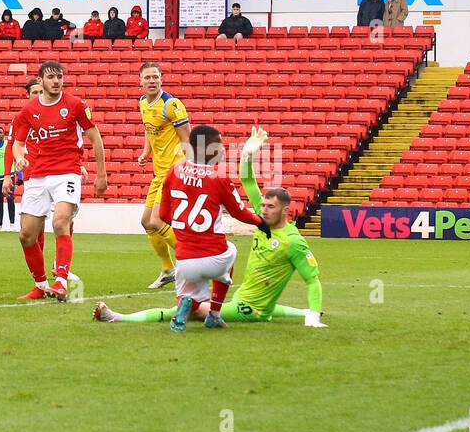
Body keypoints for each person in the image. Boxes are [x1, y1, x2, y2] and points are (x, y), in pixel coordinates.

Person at [96, 127, 326, 328]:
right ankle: (219, 310)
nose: (263, 210)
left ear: (285, 211)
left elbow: (312, 280)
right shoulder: (263, 218)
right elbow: (248, 182)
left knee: (192, 310)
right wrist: (246, 154)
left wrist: (314, 315)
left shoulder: (293, 241)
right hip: (243, 300)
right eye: (263, 205)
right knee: (231, 266)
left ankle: (120, 317)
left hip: (246, 307)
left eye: (270, 207)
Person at [157, 124, 271, 332]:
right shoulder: (218, 177)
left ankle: (185, 305)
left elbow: (164, 215)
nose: (223, 150)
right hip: (215, 257)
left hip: (183, 260)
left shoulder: (174, 171)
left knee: (188, 294)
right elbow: (239, 212)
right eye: (218, 145)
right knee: (232, 251)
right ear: (203, 150)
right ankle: (215, 314)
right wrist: (260, 222)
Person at [11, 61, 107, 301]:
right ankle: (41, 286)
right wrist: (19, 158)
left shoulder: (75, 105)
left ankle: (61, 282)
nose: (56, 81)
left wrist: (101, 174)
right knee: (27, 235)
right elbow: (18, 143)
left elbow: (95, 138)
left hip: (67, 172)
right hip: (37, 176)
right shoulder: (28, 110)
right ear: (40, 80)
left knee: (60, 222)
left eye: (60, 77)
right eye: (51, 77)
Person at [136, 62, 191, 288]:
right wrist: (146, 151)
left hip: (175, 170)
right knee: (146, 223)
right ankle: (168, 269)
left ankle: (192, 259)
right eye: (147, 77)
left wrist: (188, 168)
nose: (151, 81)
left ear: (161, 79)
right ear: (140, 81)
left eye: (155, 77)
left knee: (157, 220)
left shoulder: (172, 105)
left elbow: (187, 139)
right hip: (159, 172)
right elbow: (149, 129)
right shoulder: (142, 103)